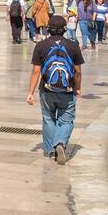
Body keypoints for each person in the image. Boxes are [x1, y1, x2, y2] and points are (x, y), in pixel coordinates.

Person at [26, 14, 83, 164]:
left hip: (46, 90)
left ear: (48, 29)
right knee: (66, 120)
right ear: (64, 29)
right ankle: (60, 143)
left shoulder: (41, 46)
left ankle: (51, 151)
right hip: (67, 90)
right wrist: (78, 88)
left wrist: (30, 93)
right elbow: (77, 71)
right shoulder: (73, 45)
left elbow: (36, 71)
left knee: (48, 119)